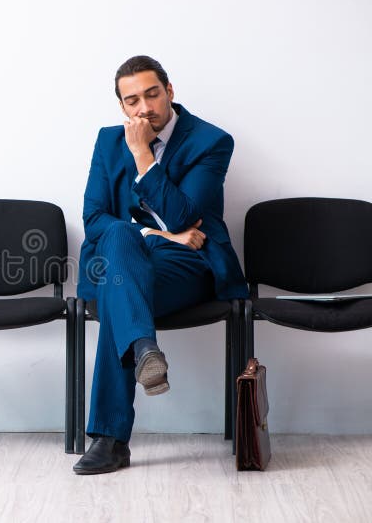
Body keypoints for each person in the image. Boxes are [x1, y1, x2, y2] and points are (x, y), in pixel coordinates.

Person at [73, 55, 249, 475]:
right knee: (117, 238)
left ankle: (110, 441)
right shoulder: (105, 140)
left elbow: (187, 216)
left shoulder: (210, 141)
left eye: (152, 94)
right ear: (122, 107)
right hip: (125, 259)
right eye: (132, 100)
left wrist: (143, 158)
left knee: (120, 289)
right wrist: (152, 234)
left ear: (169, 91)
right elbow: (94, 219)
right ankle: (144, 348)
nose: (144, 108)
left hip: (186, 265)